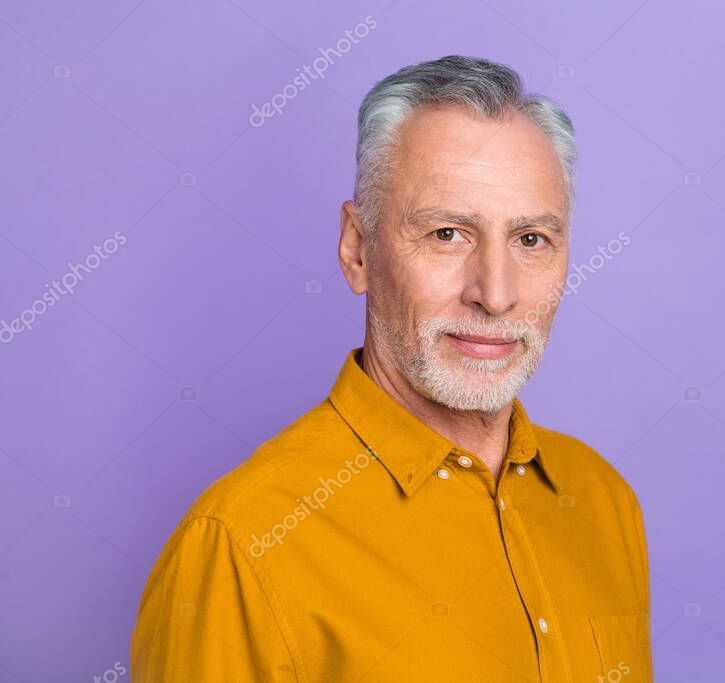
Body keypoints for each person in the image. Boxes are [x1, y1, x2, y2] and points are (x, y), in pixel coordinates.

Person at [131, 54, 651, 682]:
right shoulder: (239, 541)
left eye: (531, 239)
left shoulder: (602, 501)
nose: (496, 294)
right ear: (358, 249)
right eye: (447, 234)